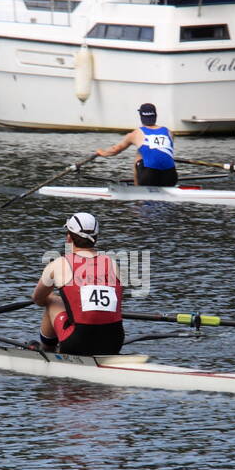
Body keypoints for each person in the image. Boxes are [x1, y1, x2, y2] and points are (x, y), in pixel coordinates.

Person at [32, 212, 125, 355]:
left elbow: (38, 299)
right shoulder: (112, 263)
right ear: (96, 238)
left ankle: (47, 350)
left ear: (69, 237)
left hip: (77, 343)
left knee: (51, 300)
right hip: (115, 342)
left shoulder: (59, 264)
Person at [94, 102, 178, 186]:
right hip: (171, 177)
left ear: (141, 117)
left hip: (149, 178)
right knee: (147, 153)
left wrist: (102, 152)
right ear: (155, 116)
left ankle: (137, 188)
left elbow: (116, 149)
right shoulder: (168, 132)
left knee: (138, 157)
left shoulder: (136, 133)